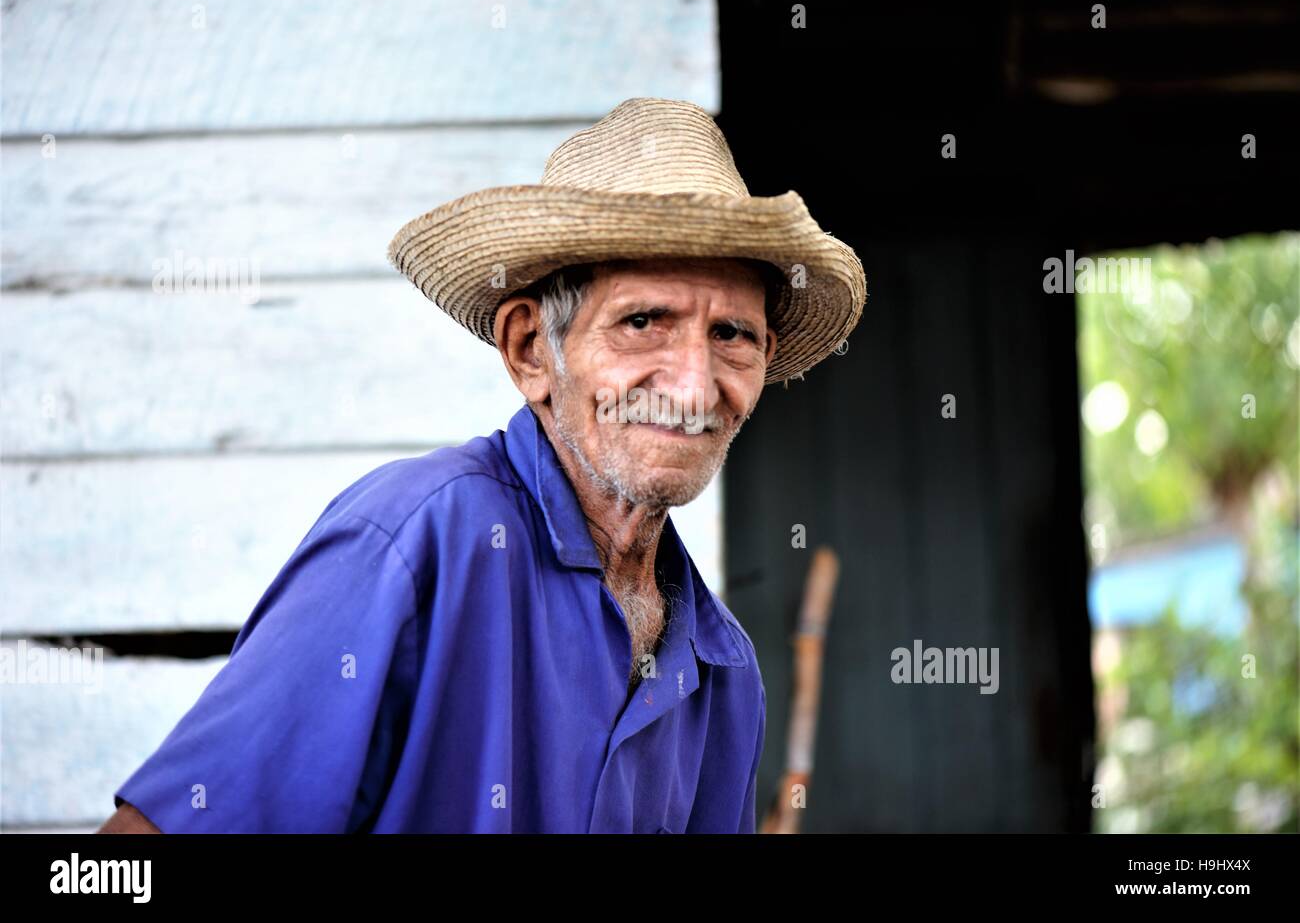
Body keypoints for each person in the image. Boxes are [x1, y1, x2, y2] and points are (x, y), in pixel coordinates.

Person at [99, 97, 865, 833]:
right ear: (532, 350)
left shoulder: (722, 671)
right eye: (642, 321)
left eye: (732, 333)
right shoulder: (411, 544)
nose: (696, 384)